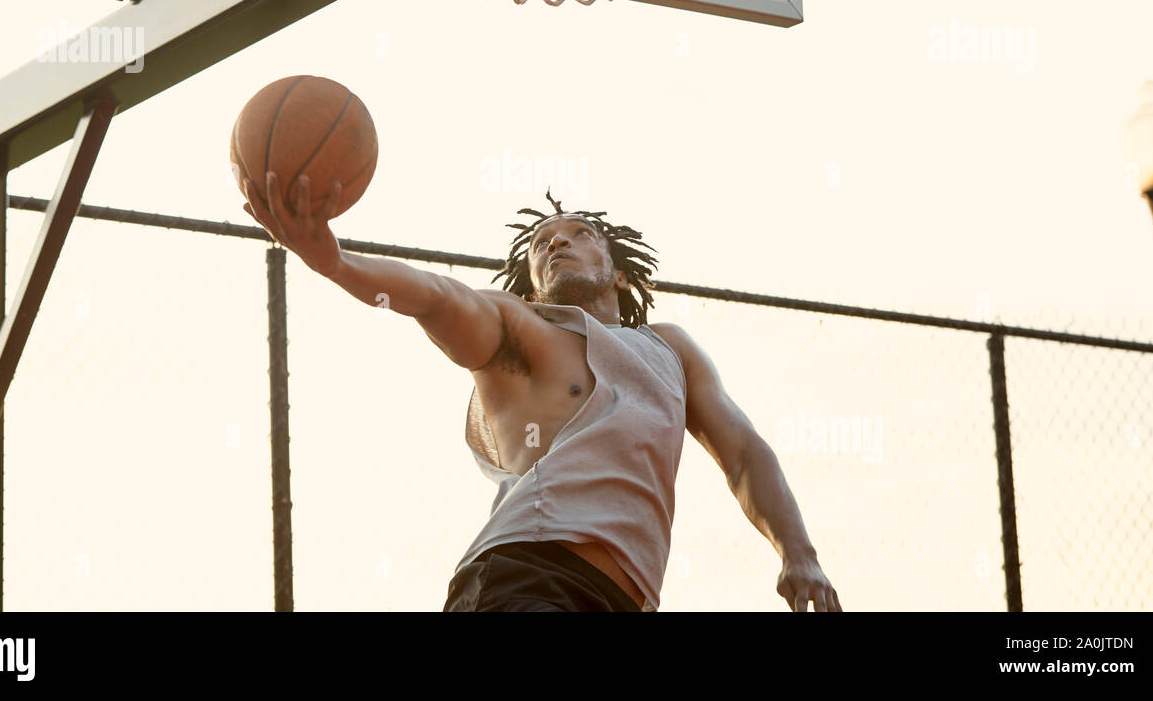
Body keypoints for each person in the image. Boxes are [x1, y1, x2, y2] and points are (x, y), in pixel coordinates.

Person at [243, 176, 841, 612]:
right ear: (530, 287)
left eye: (579, 234)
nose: (557, 242)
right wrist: (335, 260)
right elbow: (437, 296)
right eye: (541, 244)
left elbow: (742, 453)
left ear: (621, 272)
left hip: (622, 598)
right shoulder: (523, 332)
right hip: (526, 579)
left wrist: (799, 553)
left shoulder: (669, 349)